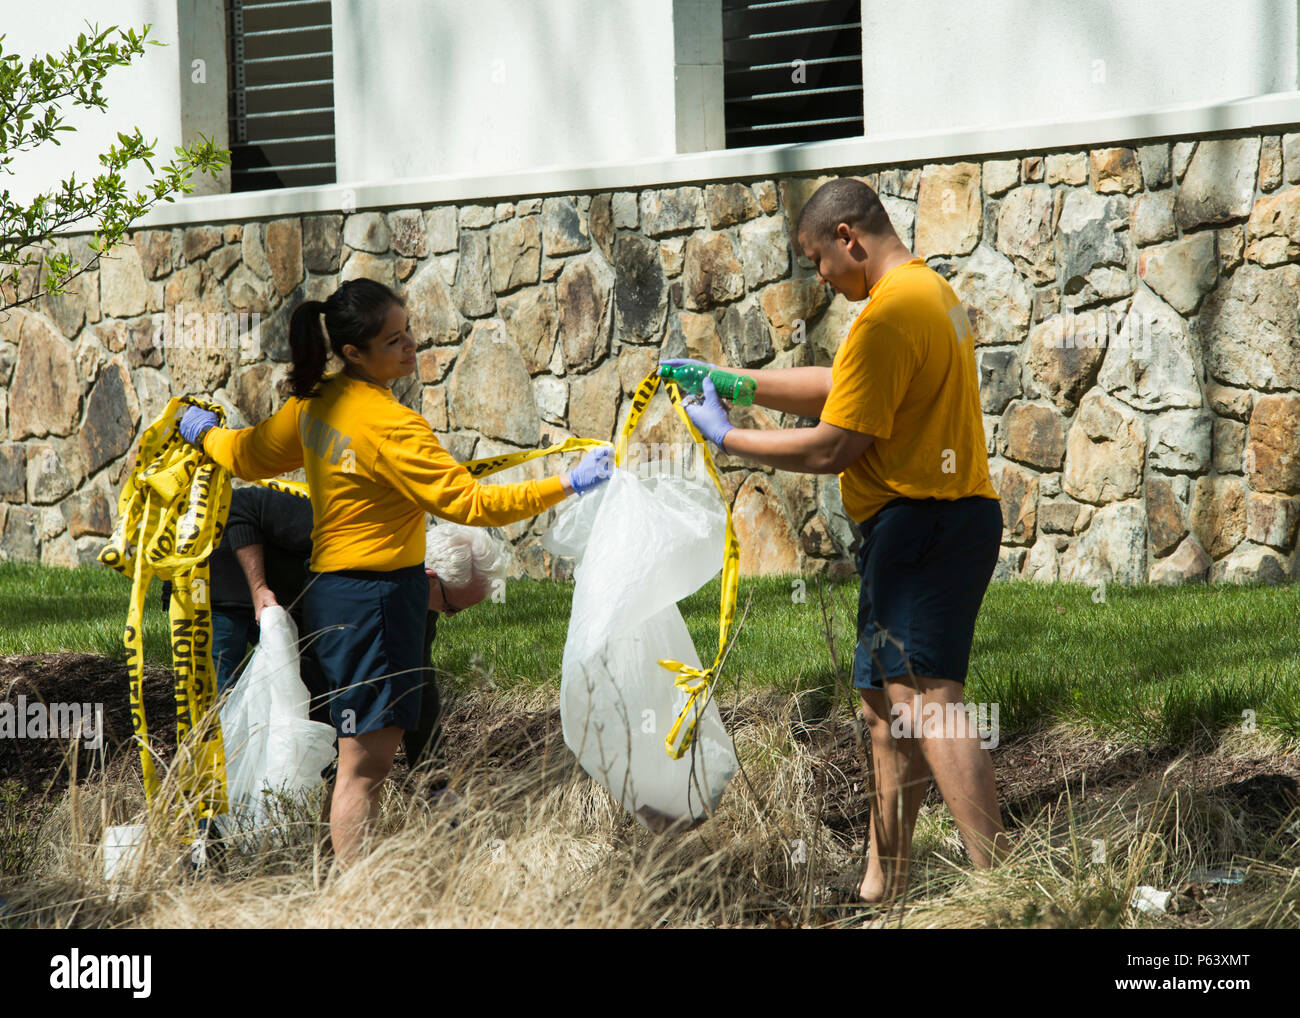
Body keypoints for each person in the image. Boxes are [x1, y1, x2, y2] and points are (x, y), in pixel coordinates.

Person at [177, 277, 612, 867]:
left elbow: (248, 455)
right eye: (394, 340)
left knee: (357, 760)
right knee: (365, 768)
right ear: (353, 352)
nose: (410, 348)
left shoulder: (315, 404)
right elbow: (470, 504)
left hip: (333, 594)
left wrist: (205, 435)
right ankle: (361, 901)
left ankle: (347, 890)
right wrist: (566, 482)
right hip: (375, 599)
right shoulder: (391, 424)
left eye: (409, 334)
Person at [666, 177, 1009, 903]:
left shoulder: (889, 316)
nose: (819, 276)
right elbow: (842, 384)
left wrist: (731, 437)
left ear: (848, 238)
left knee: (927, 704)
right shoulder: (925, 295)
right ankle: (885, 886)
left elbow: (834, 446)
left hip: (926, 525)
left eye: (818, 258)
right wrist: (736, 382)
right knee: (885, 714)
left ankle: (1006, 893)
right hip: (925, 526)